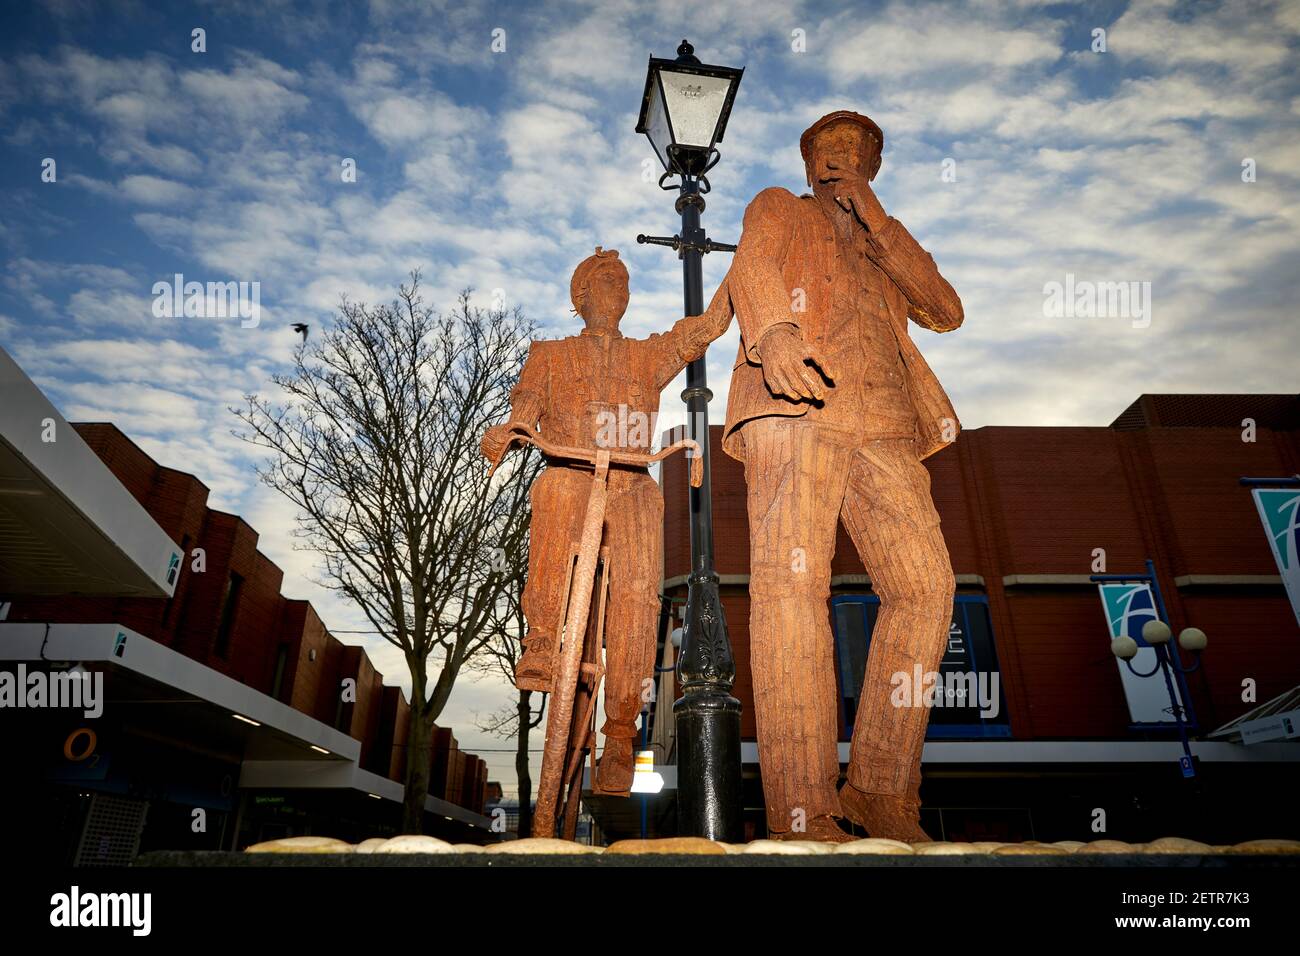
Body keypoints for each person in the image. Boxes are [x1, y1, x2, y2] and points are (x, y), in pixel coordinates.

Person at [722, 110, 964, 841]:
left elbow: (945, 309)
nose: (836, 157)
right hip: (792, 406)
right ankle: (804, 810)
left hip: (885, 421)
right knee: (793, 590)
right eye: (825, 148)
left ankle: (882, 790)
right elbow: (750, 267)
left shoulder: (886, 239)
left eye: (852, 151)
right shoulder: (776, 207)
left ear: (871, 166)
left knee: (927, 588)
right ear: (805, 162)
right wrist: (774, 334)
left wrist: (878, 221)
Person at [481, 247, 731, 794]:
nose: (617, 290)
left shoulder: (647, 356)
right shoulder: (548, 353)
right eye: (605, 281)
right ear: (581, 296)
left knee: (639, 592)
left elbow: (704, 330)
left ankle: (620, 731)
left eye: (623, 283)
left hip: (632, 480)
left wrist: (749, 265)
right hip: (569, 465)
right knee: (550, 494)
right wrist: (512, 428)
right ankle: (543, 640)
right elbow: (525, 400)